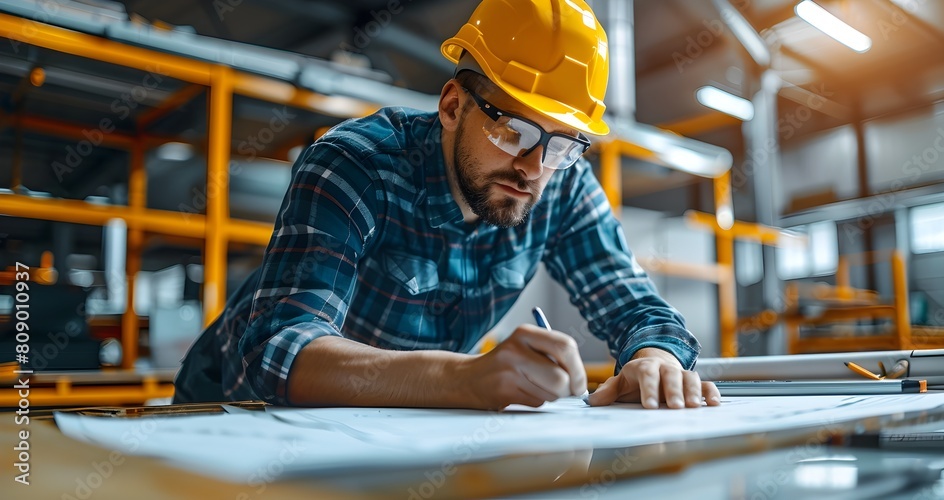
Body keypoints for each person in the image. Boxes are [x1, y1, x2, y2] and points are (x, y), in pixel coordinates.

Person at [174, 0, 721, 411]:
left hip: (392, 423)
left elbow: (642, 311)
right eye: (514, 131)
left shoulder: (560, 184)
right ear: (454, 106)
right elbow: (278, 350)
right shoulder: (354, 164)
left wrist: (656, 359)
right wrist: (466, 379)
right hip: (230, 413)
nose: (534, 167)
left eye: (563, 145)